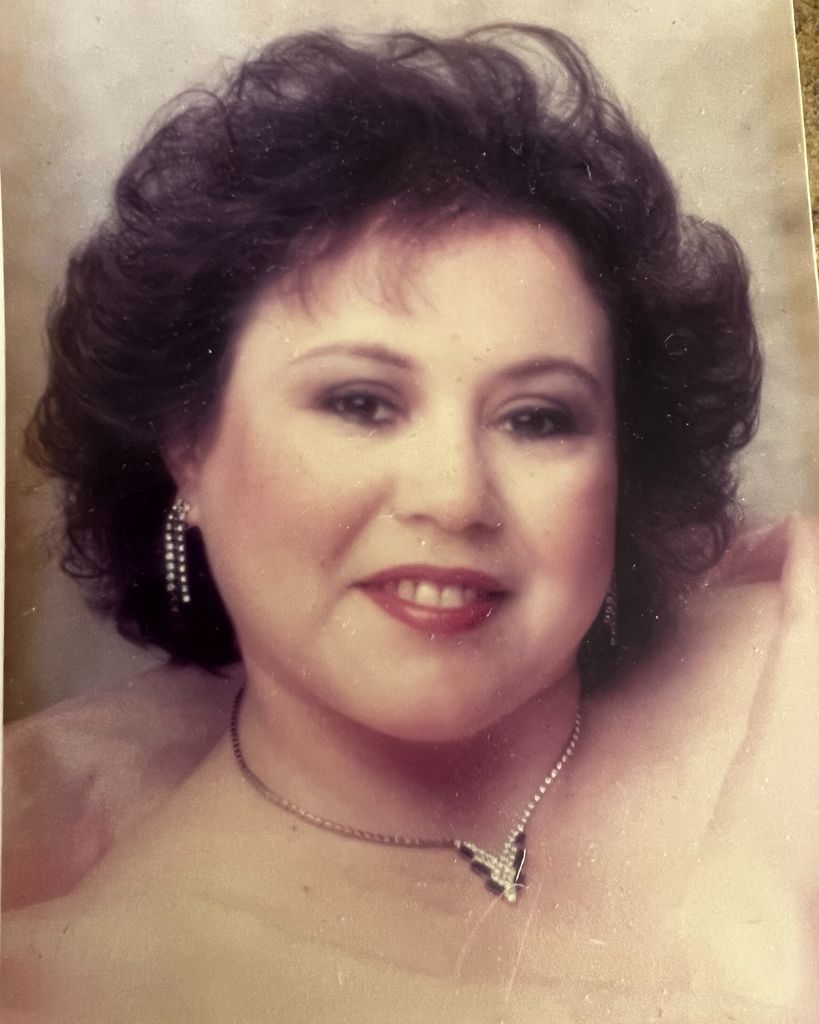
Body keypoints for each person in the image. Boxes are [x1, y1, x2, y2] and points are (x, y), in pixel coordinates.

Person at [2, 23, 817, 1023]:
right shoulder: (98, 983)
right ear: (189, 452)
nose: (454, 495)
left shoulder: (791, 676)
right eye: (360, 403)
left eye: (538, 418)